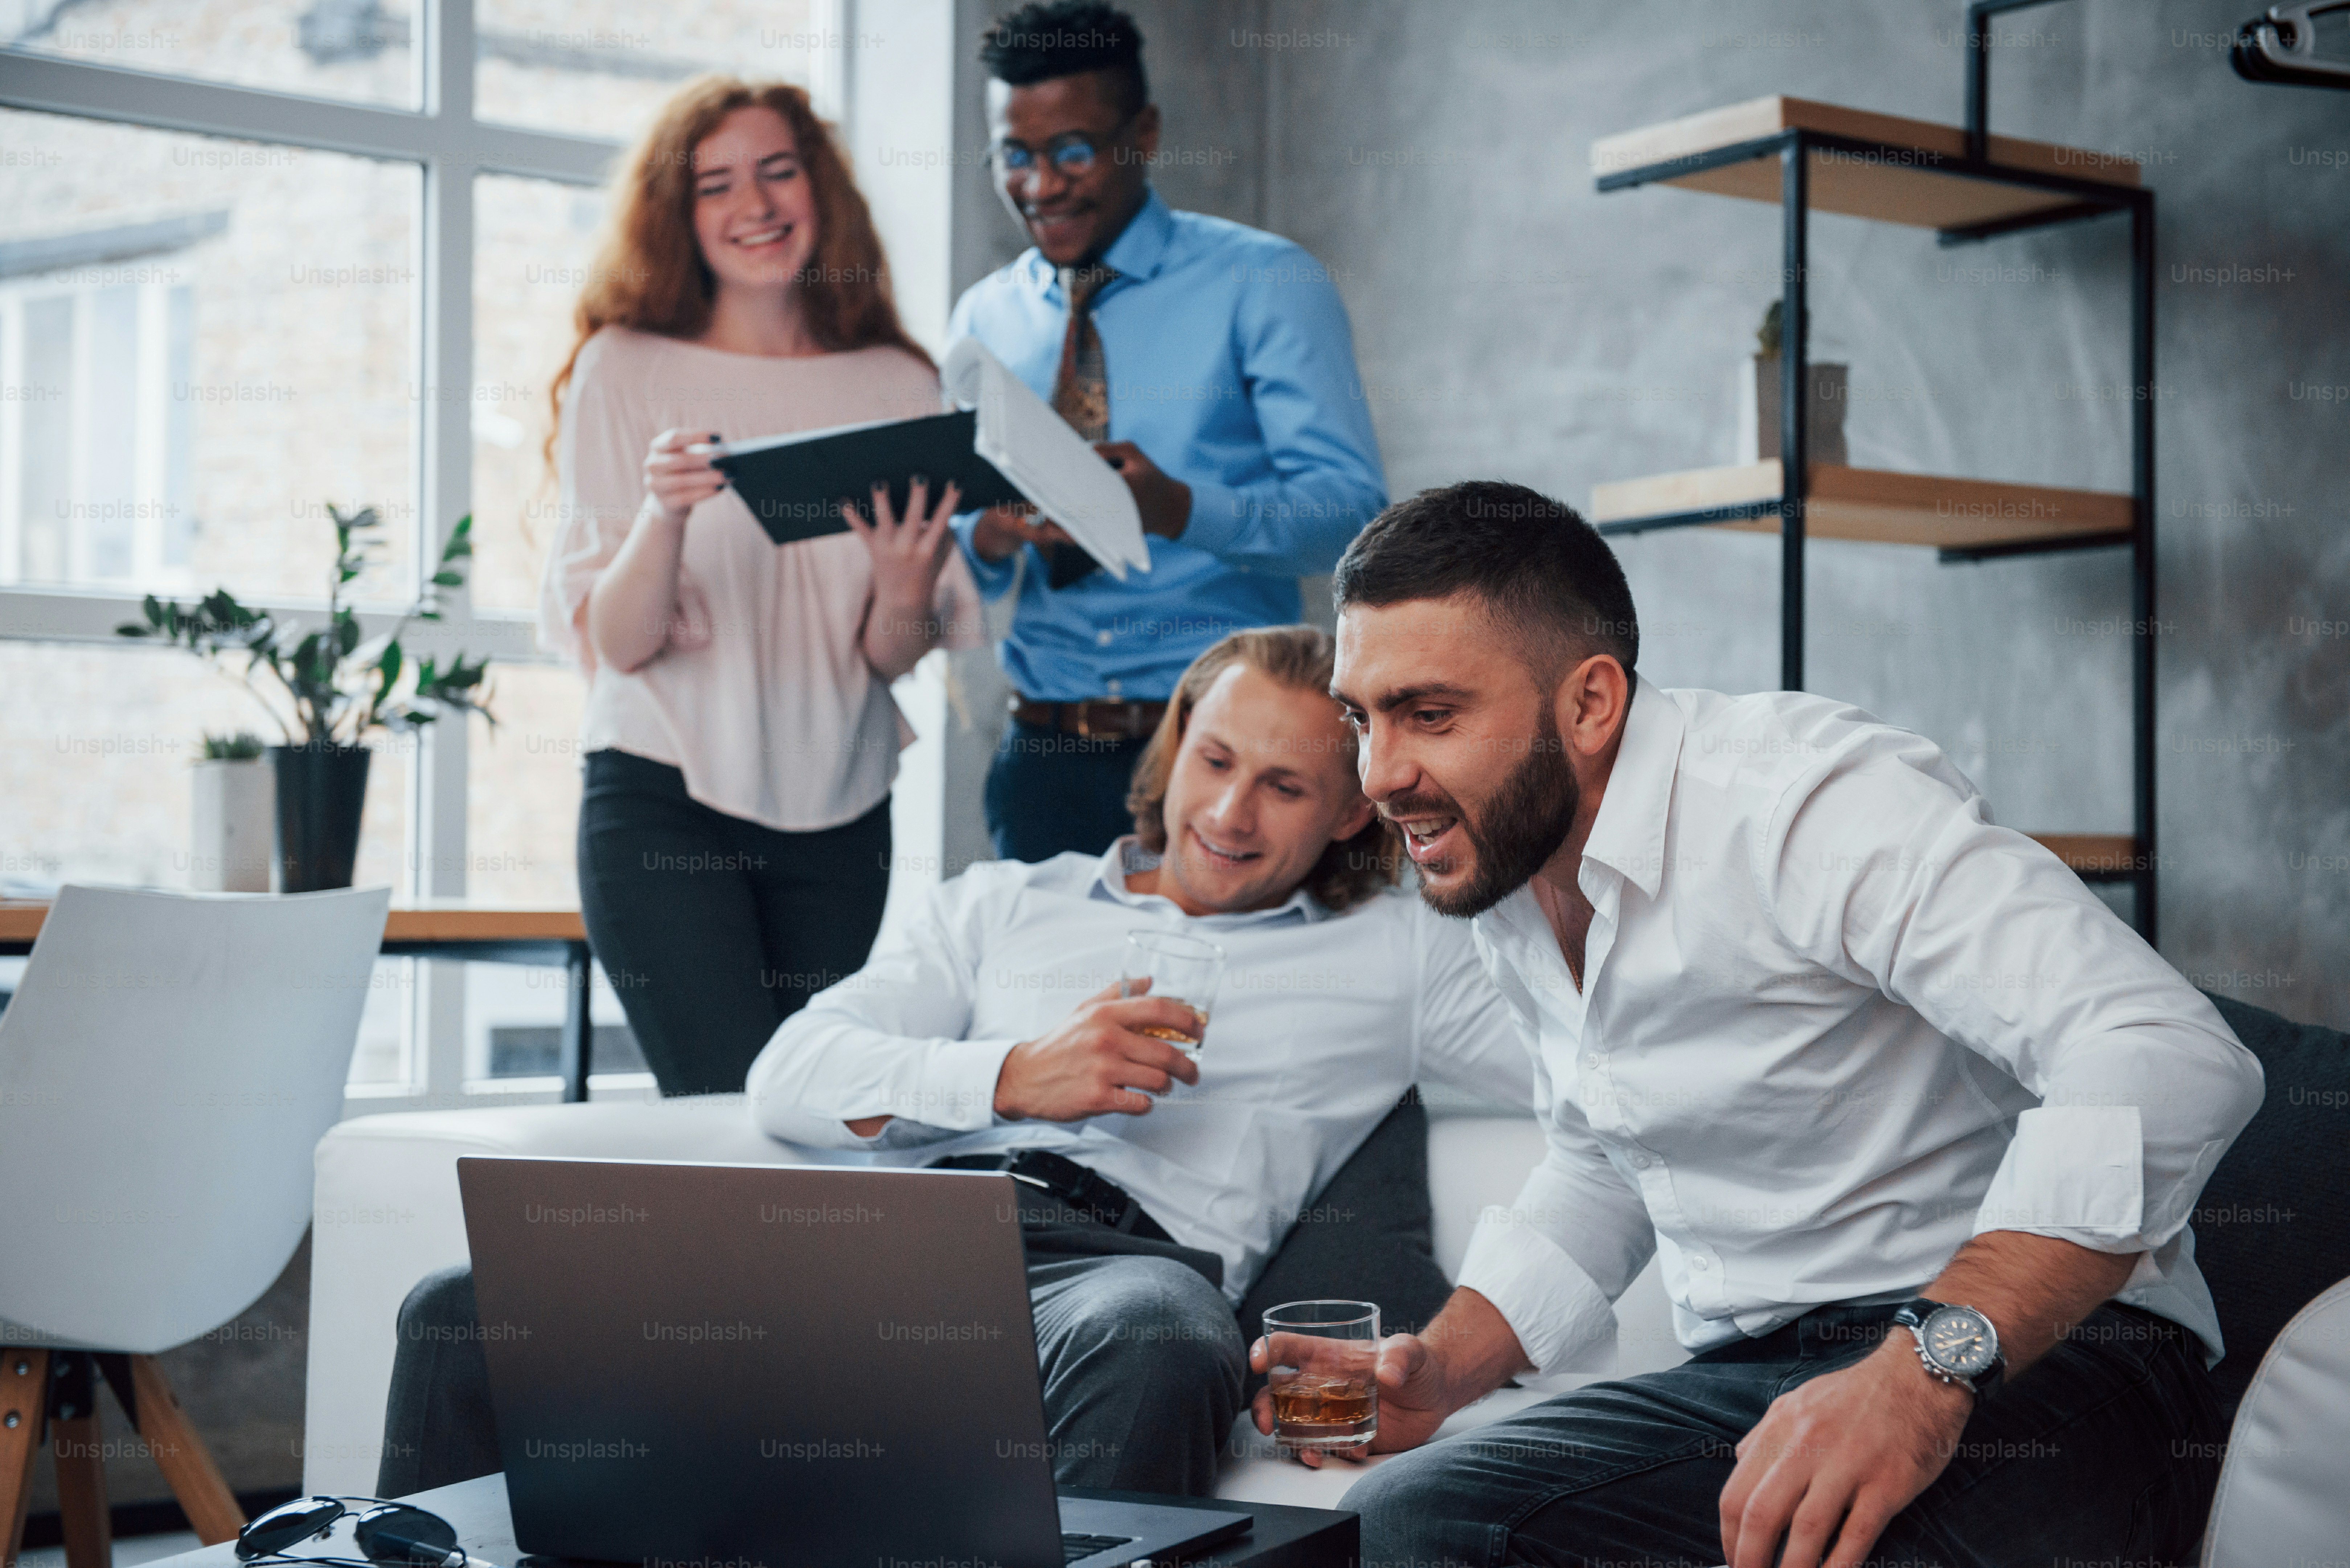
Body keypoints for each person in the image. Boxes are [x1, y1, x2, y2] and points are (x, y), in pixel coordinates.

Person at [1289, 480, 2265, 1568]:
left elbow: (2170, 1054)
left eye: (1428, 715)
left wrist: (1915, 1373)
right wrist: (1439, 1370)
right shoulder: (1507, 866)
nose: (1379, 776)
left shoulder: (1803, 800)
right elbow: (1608, 1155)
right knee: (1407, 1523)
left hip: (2043, 1357)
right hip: (1759, 1380)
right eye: (1358, 717)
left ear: (1589, 703)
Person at [373, 626, 1530, 1501]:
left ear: (1345, 816)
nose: (1229, 811)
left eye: (1284, 786)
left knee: (1167, 1337)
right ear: (1174, 747)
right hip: (883, 1243)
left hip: (1112, 1276)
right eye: (1214, 758)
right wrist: (1010, 1075)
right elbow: (791, 1068)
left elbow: (1598, 1071)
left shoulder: (1393, 954)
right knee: (466, 1310)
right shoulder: (1000, 902)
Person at [536, 77, 983, 1096]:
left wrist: (905, 577)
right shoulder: (624, 366)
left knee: (809, 1117)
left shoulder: (897, 384)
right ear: (675, 213)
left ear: (819, 189)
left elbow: (888, 655)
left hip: (841, 805)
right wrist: (664, 514)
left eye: (780, 171)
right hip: (661, 798)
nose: (757, 203)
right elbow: (620, 640)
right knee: (723, 1111)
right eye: (717, 183)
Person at [950, 1, 1387, 862]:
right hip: (1045, 758)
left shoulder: (1263, 281)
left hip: (1222, 752)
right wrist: (988, 534)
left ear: (1143, 133)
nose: (1040, 185)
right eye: (1016, 155)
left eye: (1071, 151)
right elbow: (959, 551)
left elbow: (1350, 520)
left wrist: (1179, 507)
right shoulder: (983, 317)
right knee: (1057, 1002)